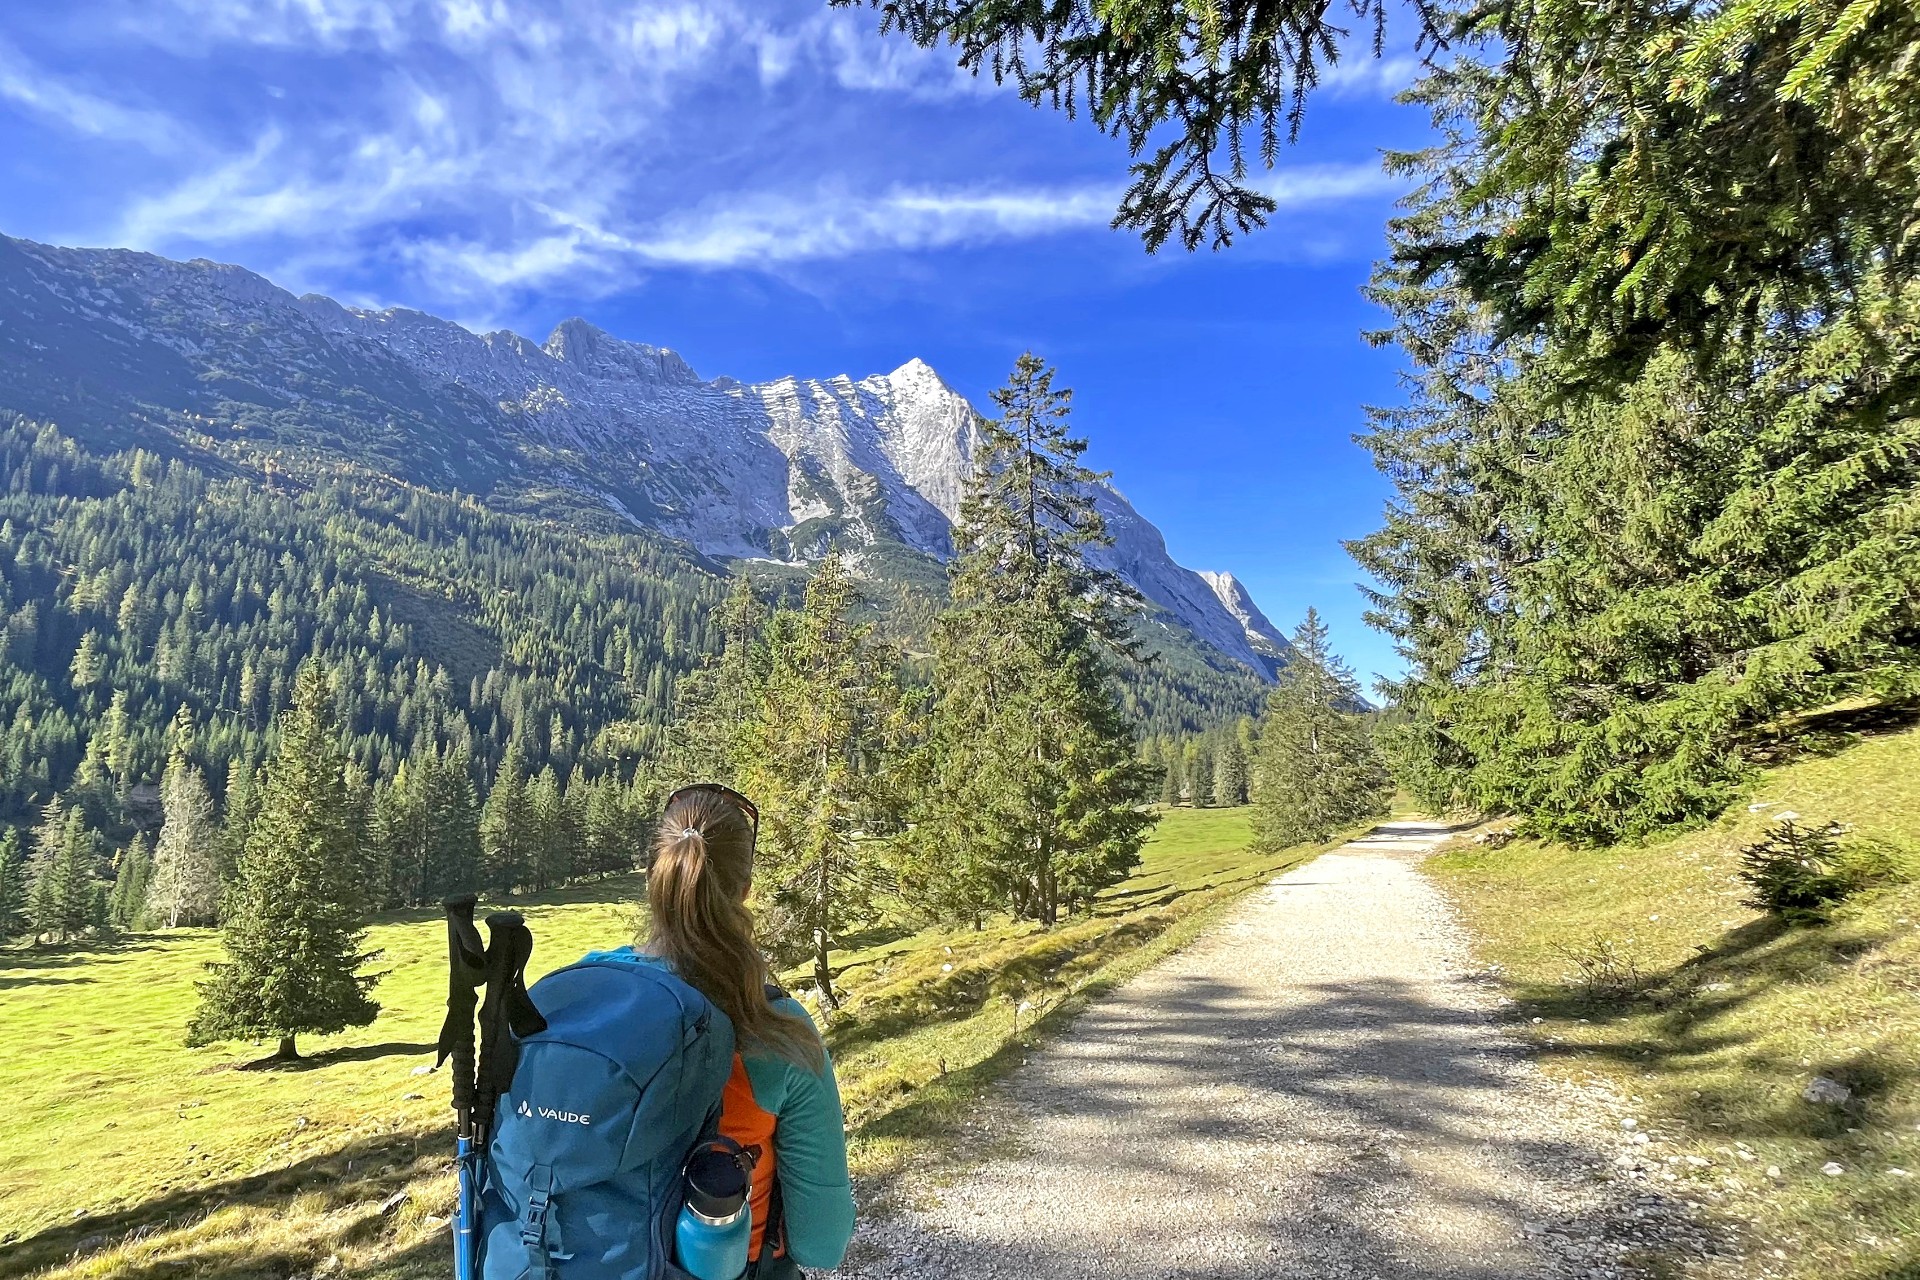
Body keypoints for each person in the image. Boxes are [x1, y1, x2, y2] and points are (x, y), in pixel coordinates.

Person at [644, 782, 855, 1278]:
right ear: (743, 891)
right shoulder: (779, 1032)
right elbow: (822, 1244)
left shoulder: (588, 999)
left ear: (655, 877)